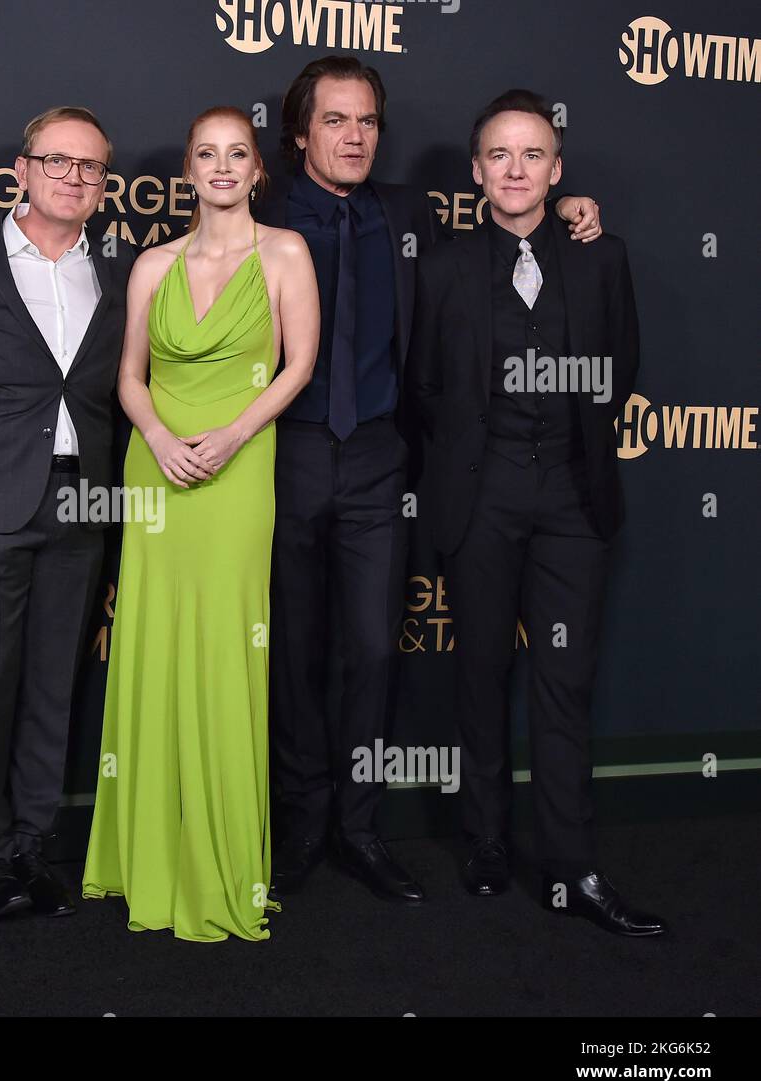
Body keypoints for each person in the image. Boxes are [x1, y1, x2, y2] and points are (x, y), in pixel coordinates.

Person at [261, 56, 605, 904]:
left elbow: (514, 222)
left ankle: (361, 825)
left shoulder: (412, 216)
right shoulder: (258, 212)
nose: (354, 136)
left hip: (382, 461)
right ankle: (302, 820)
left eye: (368, 122)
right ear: (301, 131)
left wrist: (570, 207)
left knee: (376, 650)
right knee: (293, 652)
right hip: (283, 453)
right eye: (335, 121)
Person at [408, 89, 665, 937]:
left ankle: (574, 863)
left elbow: (619, 370)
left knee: (566, 685)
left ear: (556, 171)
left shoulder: (601, 257)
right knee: (480, 675)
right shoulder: (443, 266)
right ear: (477, 171)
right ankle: (486, 840)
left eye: (532, 156)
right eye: (498, 156)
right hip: (479, 505)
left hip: (571, 500)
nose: (515, 170)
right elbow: (424, 387)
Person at [82, 107, 318, 941]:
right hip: (158, 472)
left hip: (240, 467)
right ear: (187, 169)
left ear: (258, 170)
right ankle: (147, 855)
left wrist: (231, 435)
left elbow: (300, 367)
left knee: (226, 651)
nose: (222, 167)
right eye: (206, 155)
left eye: (238, 155)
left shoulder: (285, 252)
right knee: (152, 646)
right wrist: (156, 436)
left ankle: (221, 860)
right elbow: (129, 377)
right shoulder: (153, 264)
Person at [0, 107, 135, 920]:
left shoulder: (122, 272)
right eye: (58, 163)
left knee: (53, 684)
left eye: (91, 168)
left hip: (86, 499)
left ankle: (33, 848)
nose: (74, 179)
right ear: (23, 169)